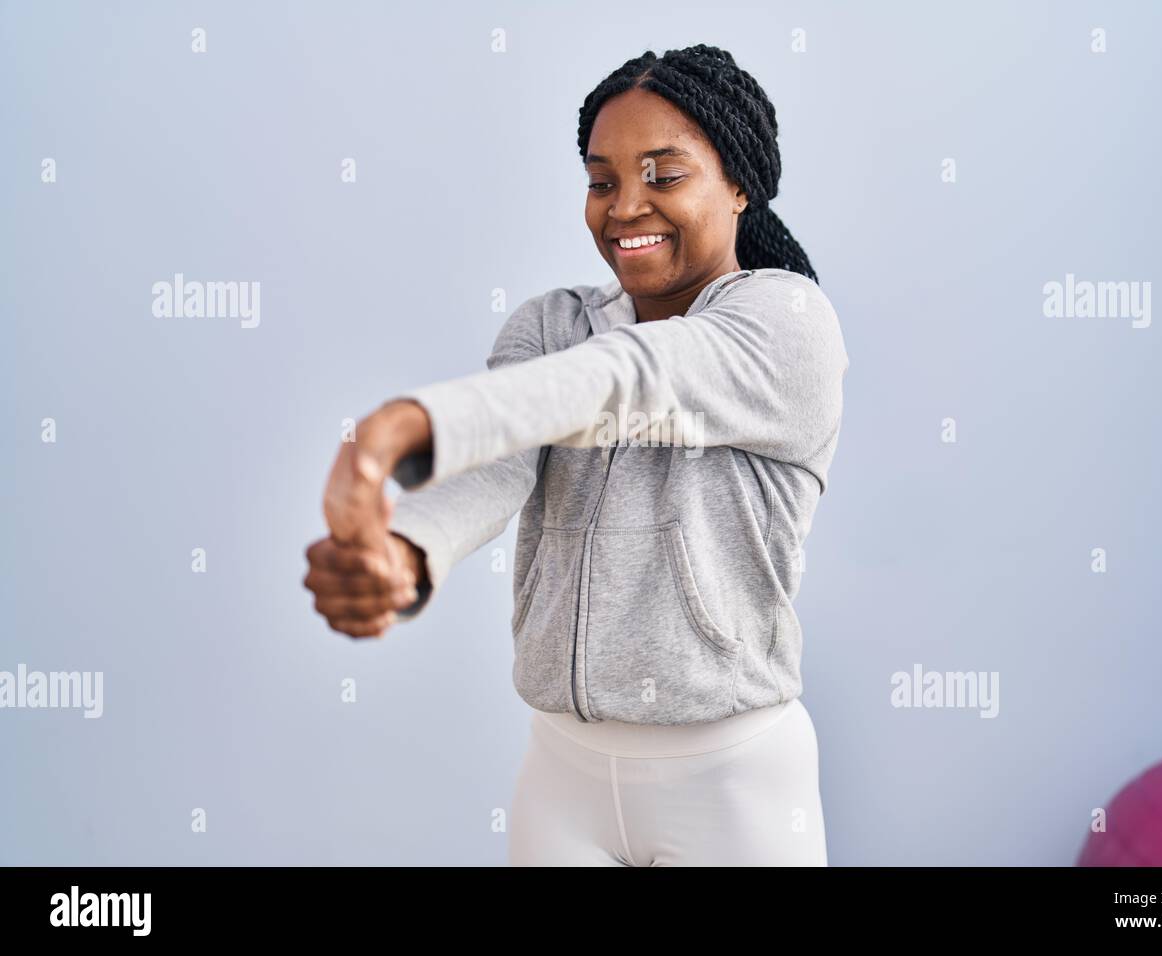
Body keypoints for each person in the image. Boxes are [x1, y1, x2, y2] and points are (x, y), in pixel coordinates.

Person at [303, 44, 848, 866]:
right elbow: (497, 467)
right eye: (602, 181)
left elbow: (630, 378)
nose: (626, 205)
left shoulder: (788, 323)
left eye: (665, 176)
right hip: (563, 775)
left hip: (732, 779)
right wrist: (404, 551)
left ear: (739, 184)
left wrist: (413, 422)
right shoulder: (552, 325)